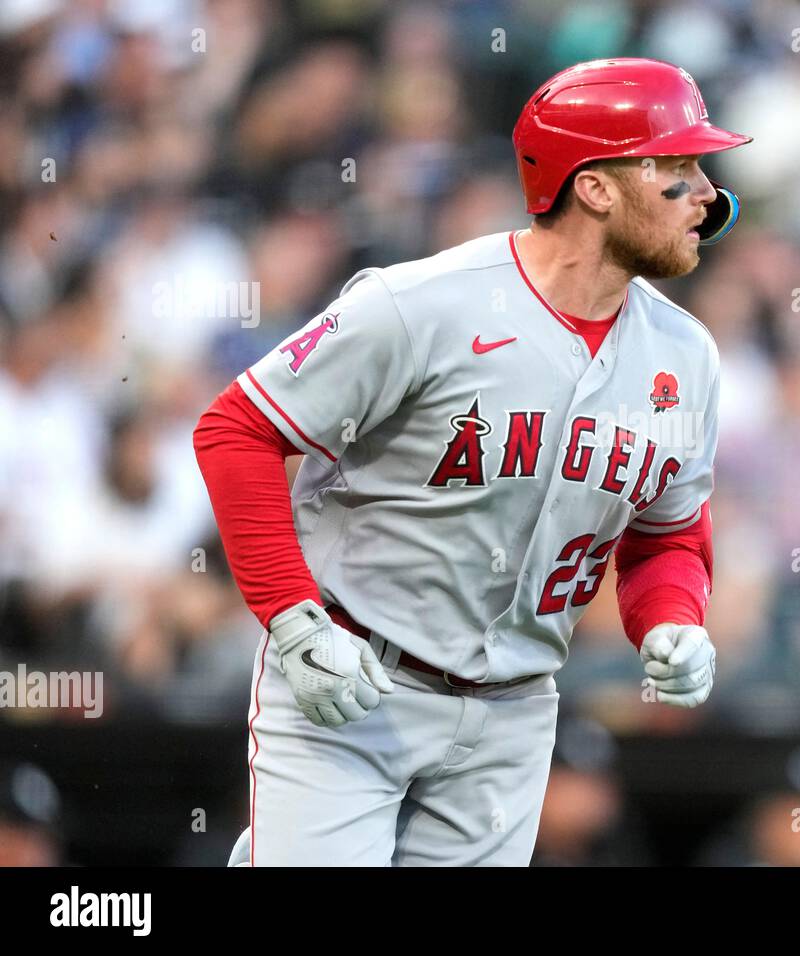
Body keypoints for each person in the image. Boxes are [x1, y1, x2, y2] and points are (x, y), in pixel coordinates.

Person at [192, 58, 751, 866]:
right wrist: (290, 616)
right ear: (595, 188)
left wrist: (674, 618)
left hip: (514, 715)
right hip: (356, 685)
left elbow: (666, 535)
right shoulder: (422, 304)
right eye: (678, 167)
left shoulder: (686, 354)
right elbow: (237, 429)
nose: (706, 191)